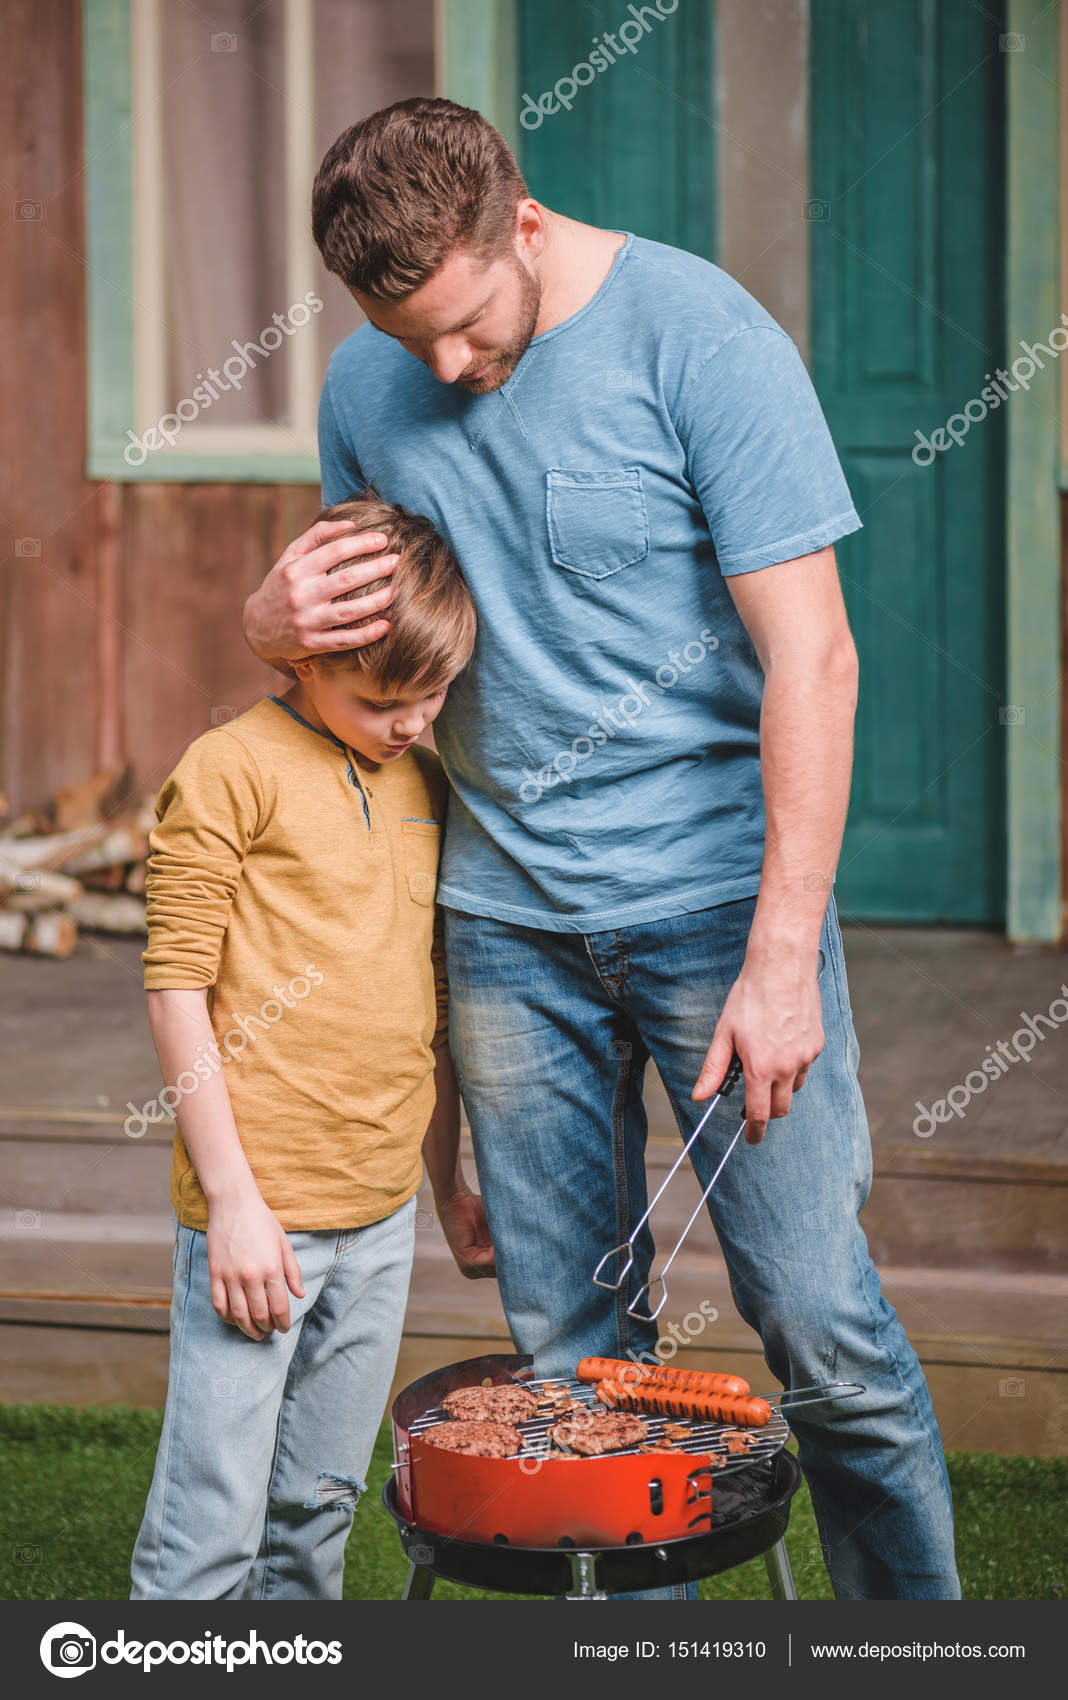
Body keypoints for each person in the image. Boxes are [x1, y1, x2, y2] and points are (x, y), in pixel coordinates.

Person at [243, 98, 961, 1602]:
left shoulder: (701, 338)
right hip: (505, 926)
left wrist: (782, 959)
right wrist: (265, 631)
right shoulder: (371, 383)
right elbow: (367, 666)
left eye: (463, 326)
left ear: (523, 222)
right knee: (575, 1366)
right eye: (403, 336)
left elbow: (813, 661)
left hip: (717, 918)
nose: (441, 369)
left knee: (823, 1329)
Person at [131, 491, 491, 1600]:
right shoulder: (229, 768)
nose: (417, 720)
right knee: (212, 1529)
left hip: (379, 1214)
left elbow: (421, 1000)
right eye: (386, 697)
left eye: (435, 694)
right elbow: (176, 986)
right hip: (262, 1215)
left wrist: (443, 1181)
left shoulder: (422, 776)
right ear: (305, 660)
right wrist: (233, 1199)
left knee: (315, 1521)